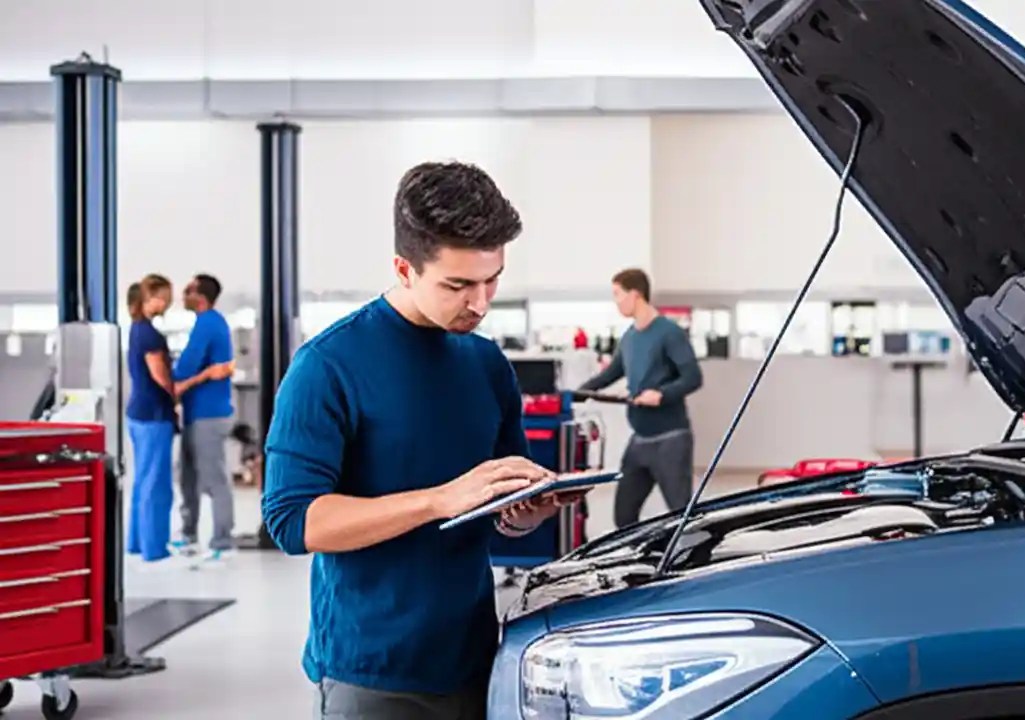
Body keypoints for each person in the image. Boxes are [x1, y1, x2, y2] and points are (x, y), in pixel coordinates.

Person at [261, 161, 582, 719]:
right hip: (373, 669)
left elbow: (502, 504)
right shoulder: (328, 366)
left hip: (477, 652)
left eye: (493, 279)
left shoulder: (487, 363)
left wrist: (527, 510)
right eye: (458, 285)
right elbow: (292, 521)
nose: (481, 303)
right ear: (403, 269)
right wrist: (438, 500)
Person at [579, 268, 703, 529]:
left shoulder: (669, 332)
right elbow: (610, 374)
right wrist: (575, 394)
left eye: (617, 295)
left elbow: (693, 377)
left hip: (671, 440)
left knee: (682, 517)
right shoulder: (630, 337)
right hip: (640, 441)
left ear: (635, 294)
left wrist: (661, 394)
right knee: (623, 516)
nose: (616, 302)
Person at [171, 274, 237, 564]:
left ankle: (223, 539)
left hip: (209, 415)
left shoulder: (208, 322)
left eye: (187, 290)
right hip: (197, 413)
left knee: (213, 479)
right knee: (189, 477)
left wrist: (175, 378)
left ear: (199, 295)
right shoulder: (208, 322)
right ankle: (189, 535)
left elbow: (187, 365)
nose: (182, 294)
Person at [124, 275, 178, 565]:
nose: (166, 302)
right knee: (156, 483)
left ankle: (136, 543)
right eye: (163, 296)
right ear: (148, 297)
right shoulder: (150, 335)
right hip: (154, 415)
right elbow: (160, 376)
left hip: (137, 413)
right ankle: (154, 548)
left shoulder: (136, 330)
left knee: (142, 480)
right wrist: (178, 393)